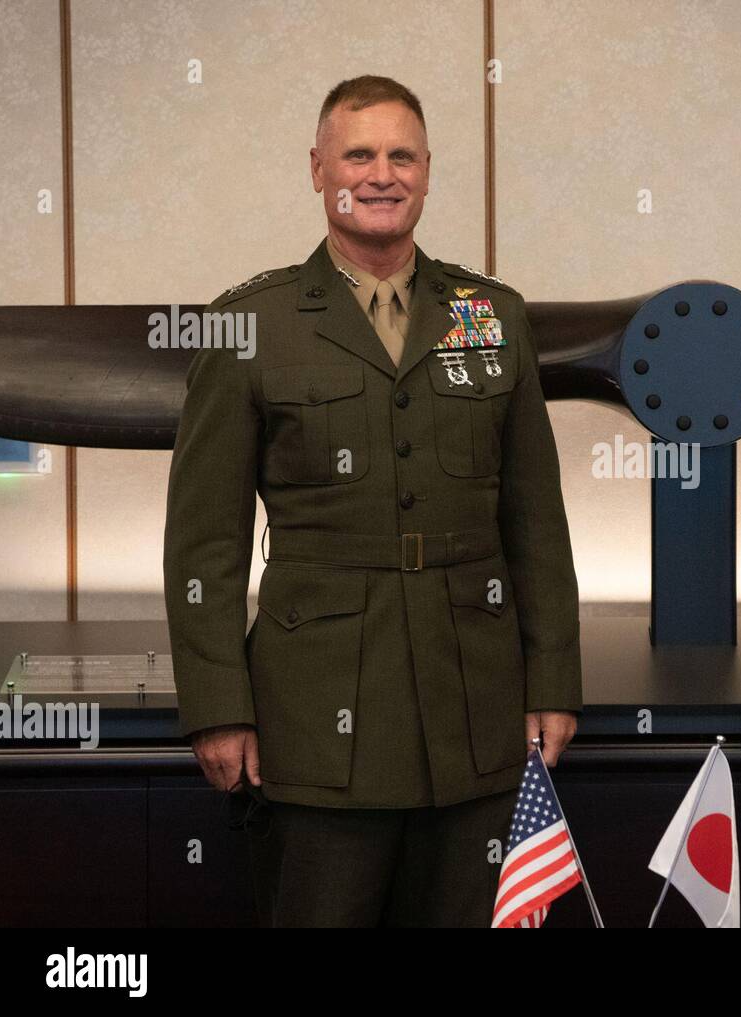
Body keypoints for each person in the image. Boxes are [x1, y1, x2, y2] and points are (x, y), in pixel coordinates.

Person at [162, 75, 582, 927]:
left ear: (428, 172)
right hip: (314, 717)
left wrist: (555, 682)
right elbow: (205, 545)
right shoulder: (250, 325)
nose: (382, 173)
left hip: (474, 709)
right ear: (317, 169)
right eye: (359, 153)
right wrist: (216, 706)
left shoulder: (488, 316)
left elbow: (535, 521)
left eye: (402, 155)